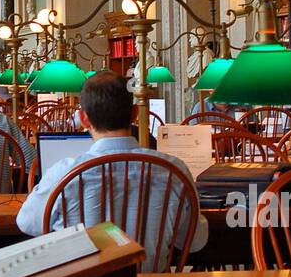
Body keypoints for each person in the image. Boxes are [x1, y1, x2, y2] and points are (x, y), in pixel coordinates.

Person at [17, 72, 205, 261]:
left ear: (83, 119)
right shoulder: (173, 171)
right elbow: (196, 241)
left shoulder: (64, 173)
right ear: (134, 114)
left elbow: (27, 223)